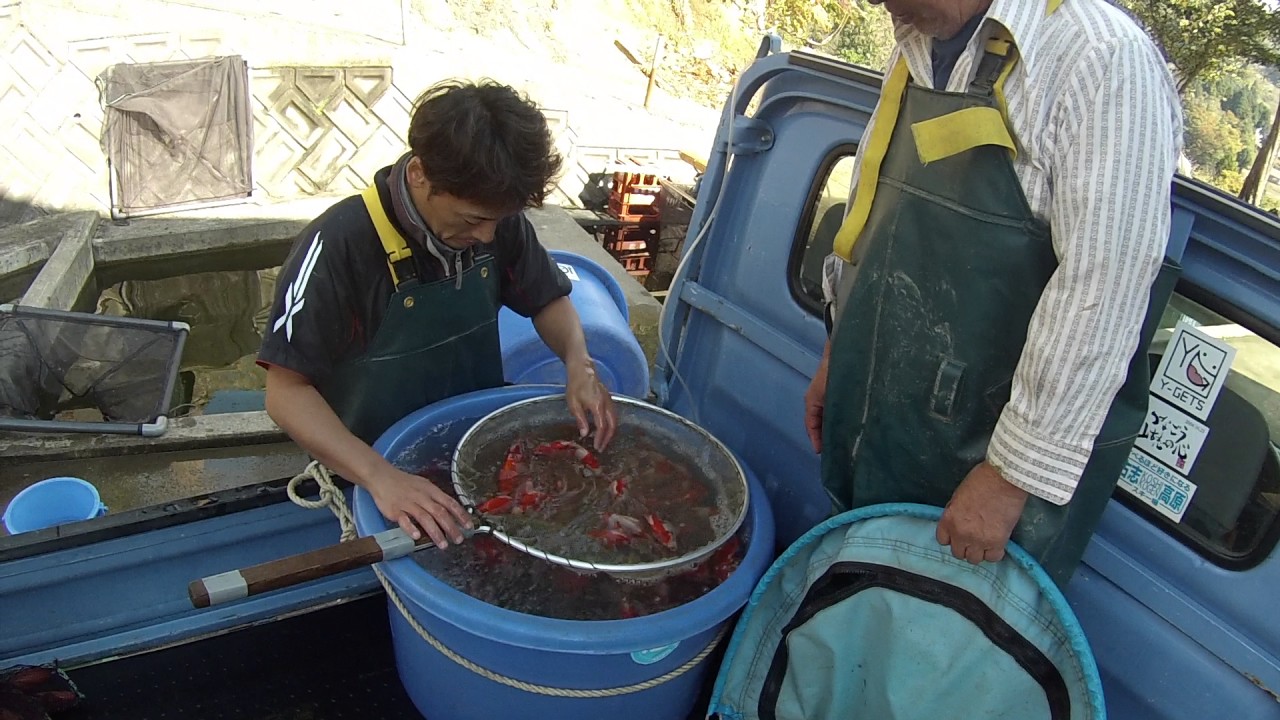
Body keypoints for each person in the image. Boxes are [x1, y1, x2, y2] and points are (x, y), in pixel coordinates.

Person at [803, 0, 1183, 585]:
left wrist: (1009, 479)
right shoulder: (916, 44)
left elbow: (1104, 291)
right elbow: (869, 214)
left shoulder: (1102, 58)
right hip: (879, 423)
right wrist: (840, 351)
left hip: (983, 466)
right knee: (851, 600)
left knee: (937, 626)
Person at [259, 79, 617, 552]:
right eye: (473, 220)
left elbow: (548, 299)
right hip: (369, 463)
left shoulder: (498, 220)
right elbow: (285, 393)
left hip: (473, 448)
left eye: (498, 221)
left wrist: (578, 362)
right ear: (419, 174)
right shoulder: (336, 246)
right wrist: (380, 476)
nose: (488, 237)